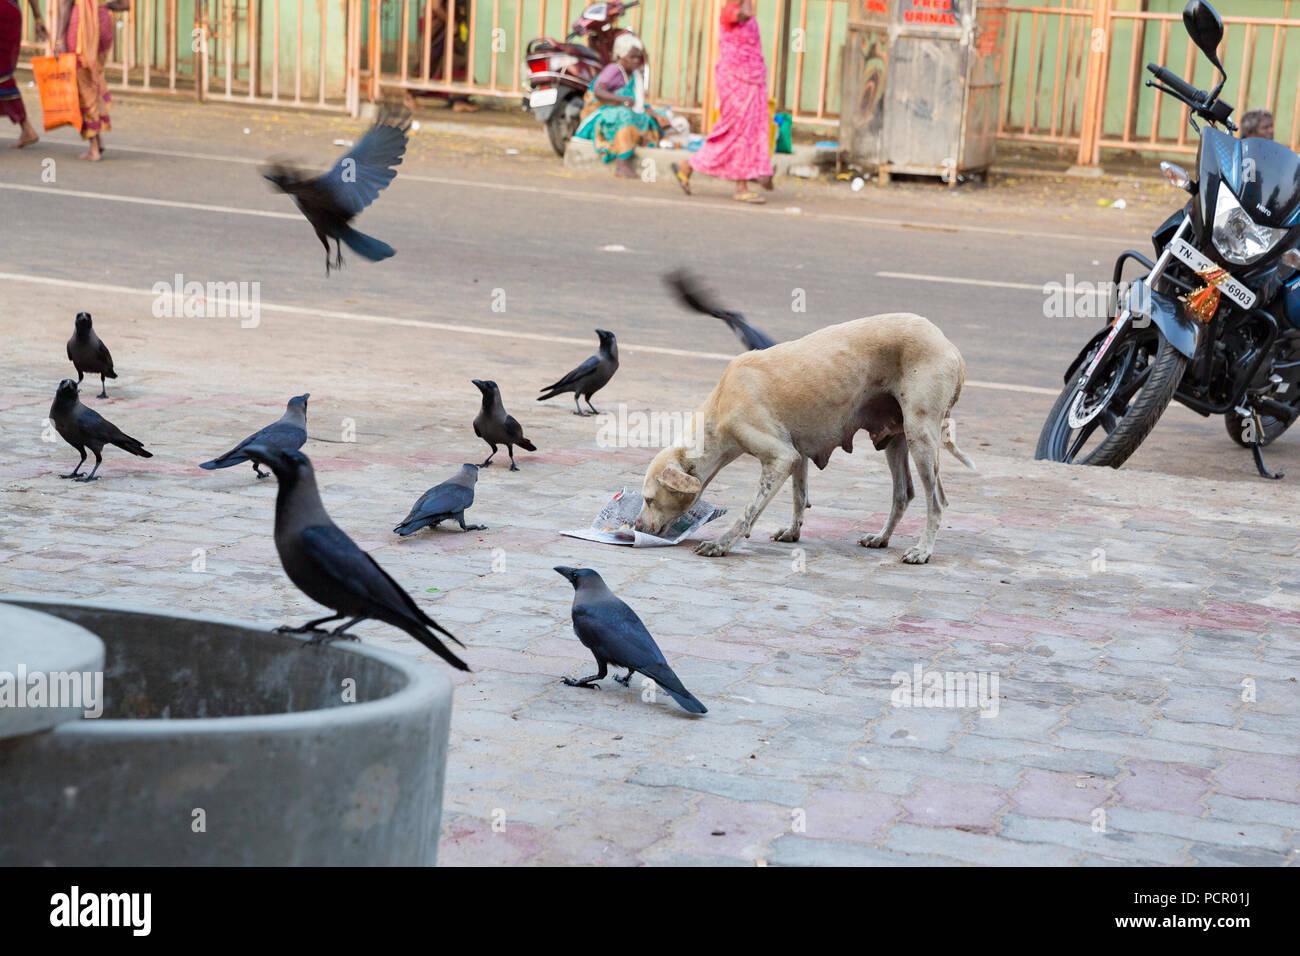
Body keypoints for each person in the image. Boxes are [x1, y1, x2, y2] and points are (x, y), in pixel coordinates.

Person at [672, 0, 774, 204]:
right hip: (735, 79)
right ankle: (741, 185)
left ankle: (689, 166)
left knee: (751, 130)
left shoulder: (747, 13)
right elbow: (743, 14)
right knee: (737, 131)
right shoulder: (730, 11)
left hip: (753, 79)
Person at [571, 33, 669, 178]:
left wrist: (655, 115)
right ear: (621, 56)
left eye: (638, 57)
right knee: (625, 115)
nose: (637, 61)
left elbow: (639, 105)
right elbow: (598, 91)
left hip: (622, 111)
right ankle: (622, 165)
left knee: (660, 116)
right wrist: (621, 99)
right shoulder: (614, 69)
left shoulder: (634, 76)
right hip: (600, 114)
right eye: (632, 57)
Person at [55, 0, 125, 160]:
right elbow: (124, 4)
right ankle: (99, 141)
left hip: (82, 28)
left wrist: (59, 39)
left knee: (83, 85)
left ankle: (93, 147)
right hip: (103, 23)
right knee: (95, 78)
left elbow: (66, 3)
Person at [1, 0, 47, 147]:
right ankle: (27, 128)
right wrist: (38, 18)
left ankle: (27, 129)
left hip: (4, 14)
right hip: (10, 13)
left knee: (3, 77)